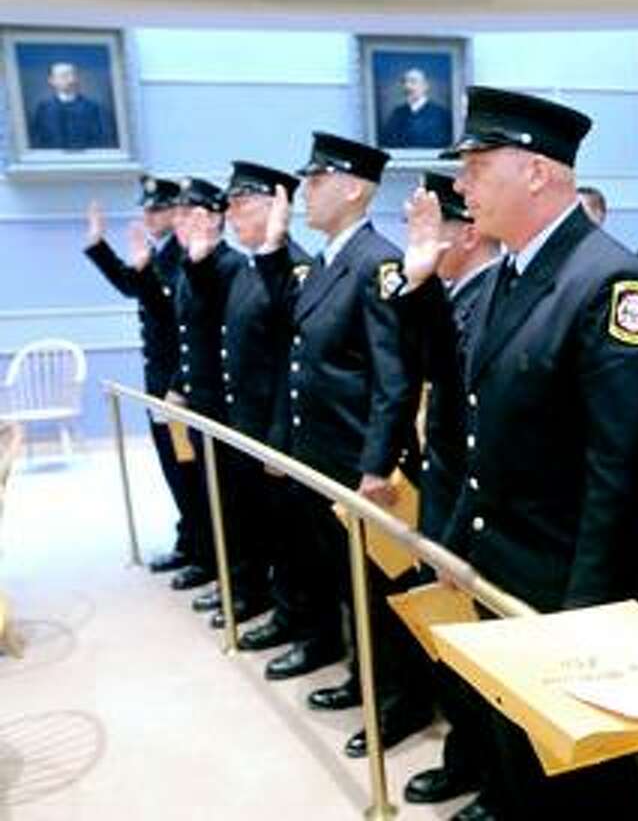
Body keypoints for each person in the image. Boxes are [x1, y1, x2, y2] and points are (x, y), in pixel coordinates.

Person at [400, 85, 638, 820]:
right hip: (505, 571)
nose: (462, 187)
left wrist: (585, 620)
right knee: (518, 764)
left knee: (581, 791)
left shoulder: (609, 282)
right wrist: (456, 540)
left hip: (569, 592)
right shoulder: (511, 272)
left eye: (476, 167)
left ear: (534, 171)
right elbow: (474, 419)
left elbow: (625, 471)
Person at [253, 132, 433, 758]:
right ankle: (365, 677)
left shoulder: (377, 263)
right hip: (322, 457)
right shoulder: (331, 261)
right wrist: (274, 245)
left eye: (316, 180)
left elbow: (394, 378)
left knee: (381, 591)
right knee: (344, 581)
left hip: (360, 465)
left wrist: (377, 464)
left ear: (353, 188)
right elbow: (292, 334)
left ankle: (401, 701)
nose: (305, 191)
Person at [402, 171, 502, 818]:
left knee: (480, 654)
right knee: (455, 645)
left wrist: (456, 529)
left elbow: (477, 430)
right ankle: (467, 757)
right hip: (445, 491)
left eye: (436, 223)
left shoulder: (491, 295)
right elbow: (421, 368)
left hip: (473, 501)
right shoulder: (456, 296)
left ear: (466, 233)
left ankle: (487, 774)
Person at [195, 160, 314, 630]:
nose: (231, 215)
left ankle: (296, 619)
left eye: (242, 205)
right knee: (255, 521)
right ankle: (262, 598)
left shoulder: (293, 268)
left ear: (275, 208)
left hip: (272, 428)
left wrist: (279, 438)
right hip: (244, 422)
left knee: (288, 536)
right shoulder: (249, 266)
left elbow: (290, 361)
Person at [84, 176, 195, 574]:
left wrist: (144, 269)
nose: (148, 215)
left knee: (187, 468)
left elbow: (170, 314)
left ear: (176, 210)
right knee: (173, 465)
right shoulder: (160, 251)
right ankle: (190, 537)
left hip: (179, 380)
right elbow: (133, 286)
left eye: (157, 208)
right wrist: (98, 245)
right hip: (159, 376)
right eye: (145, 209)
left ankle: (200, 546)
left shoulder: (186, 253)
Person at [157, 178, 246, 595]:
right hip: (197, 399)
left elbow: (218, 333)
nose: (179, 221)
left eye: (188, 213)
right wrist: (179, 385)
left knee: (230, 500)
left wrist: (199, 262)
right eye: (176, 213)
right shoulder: (191, 264)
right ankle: (216, 566)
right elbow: (189, 337)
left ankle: (238, 582)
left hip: (222, 404)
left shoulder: (228, 265)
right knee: (205, 492)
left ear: (213, 218)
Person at [29, 61, 116, 150]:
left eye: (73, 75)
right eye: (64, 76)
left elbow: (105, 140)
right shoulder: (43, 109)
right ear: (51, 80)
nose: (71, 80)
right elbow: (36, 141)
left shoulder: (94, 108)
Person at [380, 67, 453, 148]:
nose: (407, 86)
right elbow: (387, 141)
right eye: (404, 82)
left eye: (413, 82)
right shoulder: (397, 113)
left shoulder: (441, 114)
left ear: (425, 86)